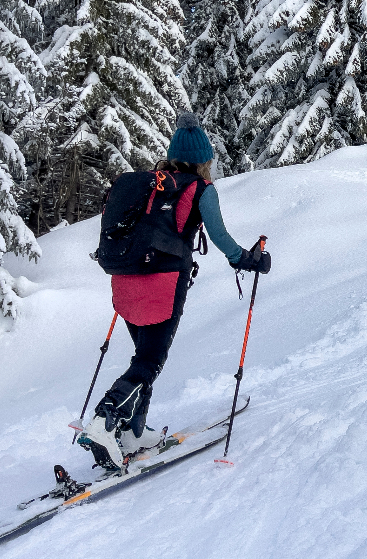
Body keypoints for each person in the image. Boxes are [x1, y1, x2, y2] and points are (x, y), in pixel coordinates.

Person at [79, 112, 270, 470]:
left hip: (123, 280)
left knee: (143, 356)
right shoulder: (200, 189)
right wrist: (247, 260)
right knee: (150, 361)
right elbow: (219, 236)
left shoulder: (151, 183)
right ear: (203, 160)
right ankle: (105, 420)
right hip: (163, 283)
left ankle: (134, 431)